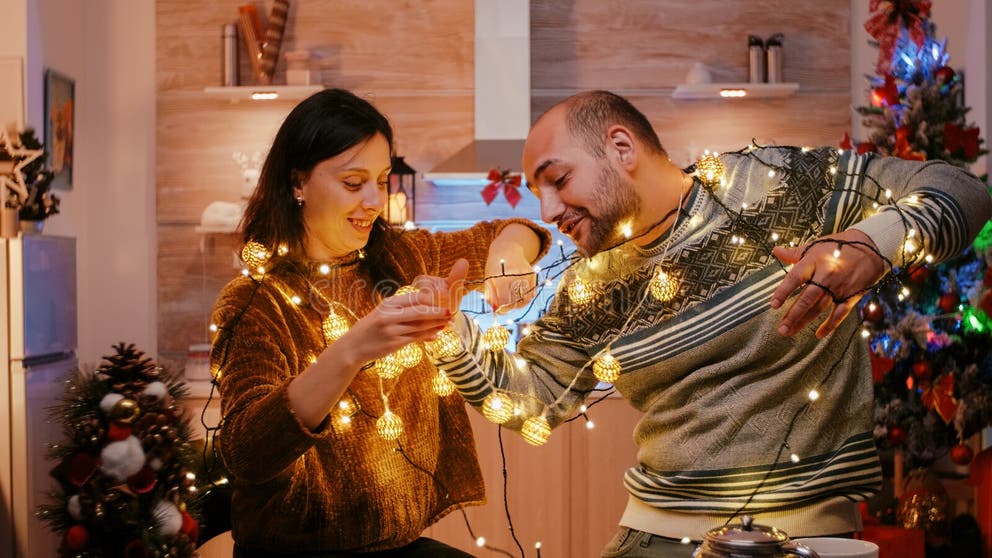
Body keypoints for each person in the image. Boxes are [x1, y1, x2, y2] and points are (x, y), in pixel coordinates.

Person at [421, 90, 992, 557]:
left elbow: (964, 189)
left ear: (621, 147)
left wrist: (872, 244)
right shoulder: (590, 287)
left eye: (558, 179)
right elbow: (533, 402)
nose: (546, 210)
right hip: (655, 537)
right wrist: (446, 331)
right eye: (536, 193)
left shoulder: (783, 186)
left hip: (807, 537)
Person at [208, 88, 549, 557]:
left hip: (396, 546)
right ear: (297, 183)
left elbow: (513, 230)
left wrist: (509, 256)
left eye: (383, 180)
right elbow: (246, 452)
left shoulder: (401, 257)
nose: (374, 200)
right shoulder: (256, 302)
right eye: (353, 183)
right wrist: (352, 351)